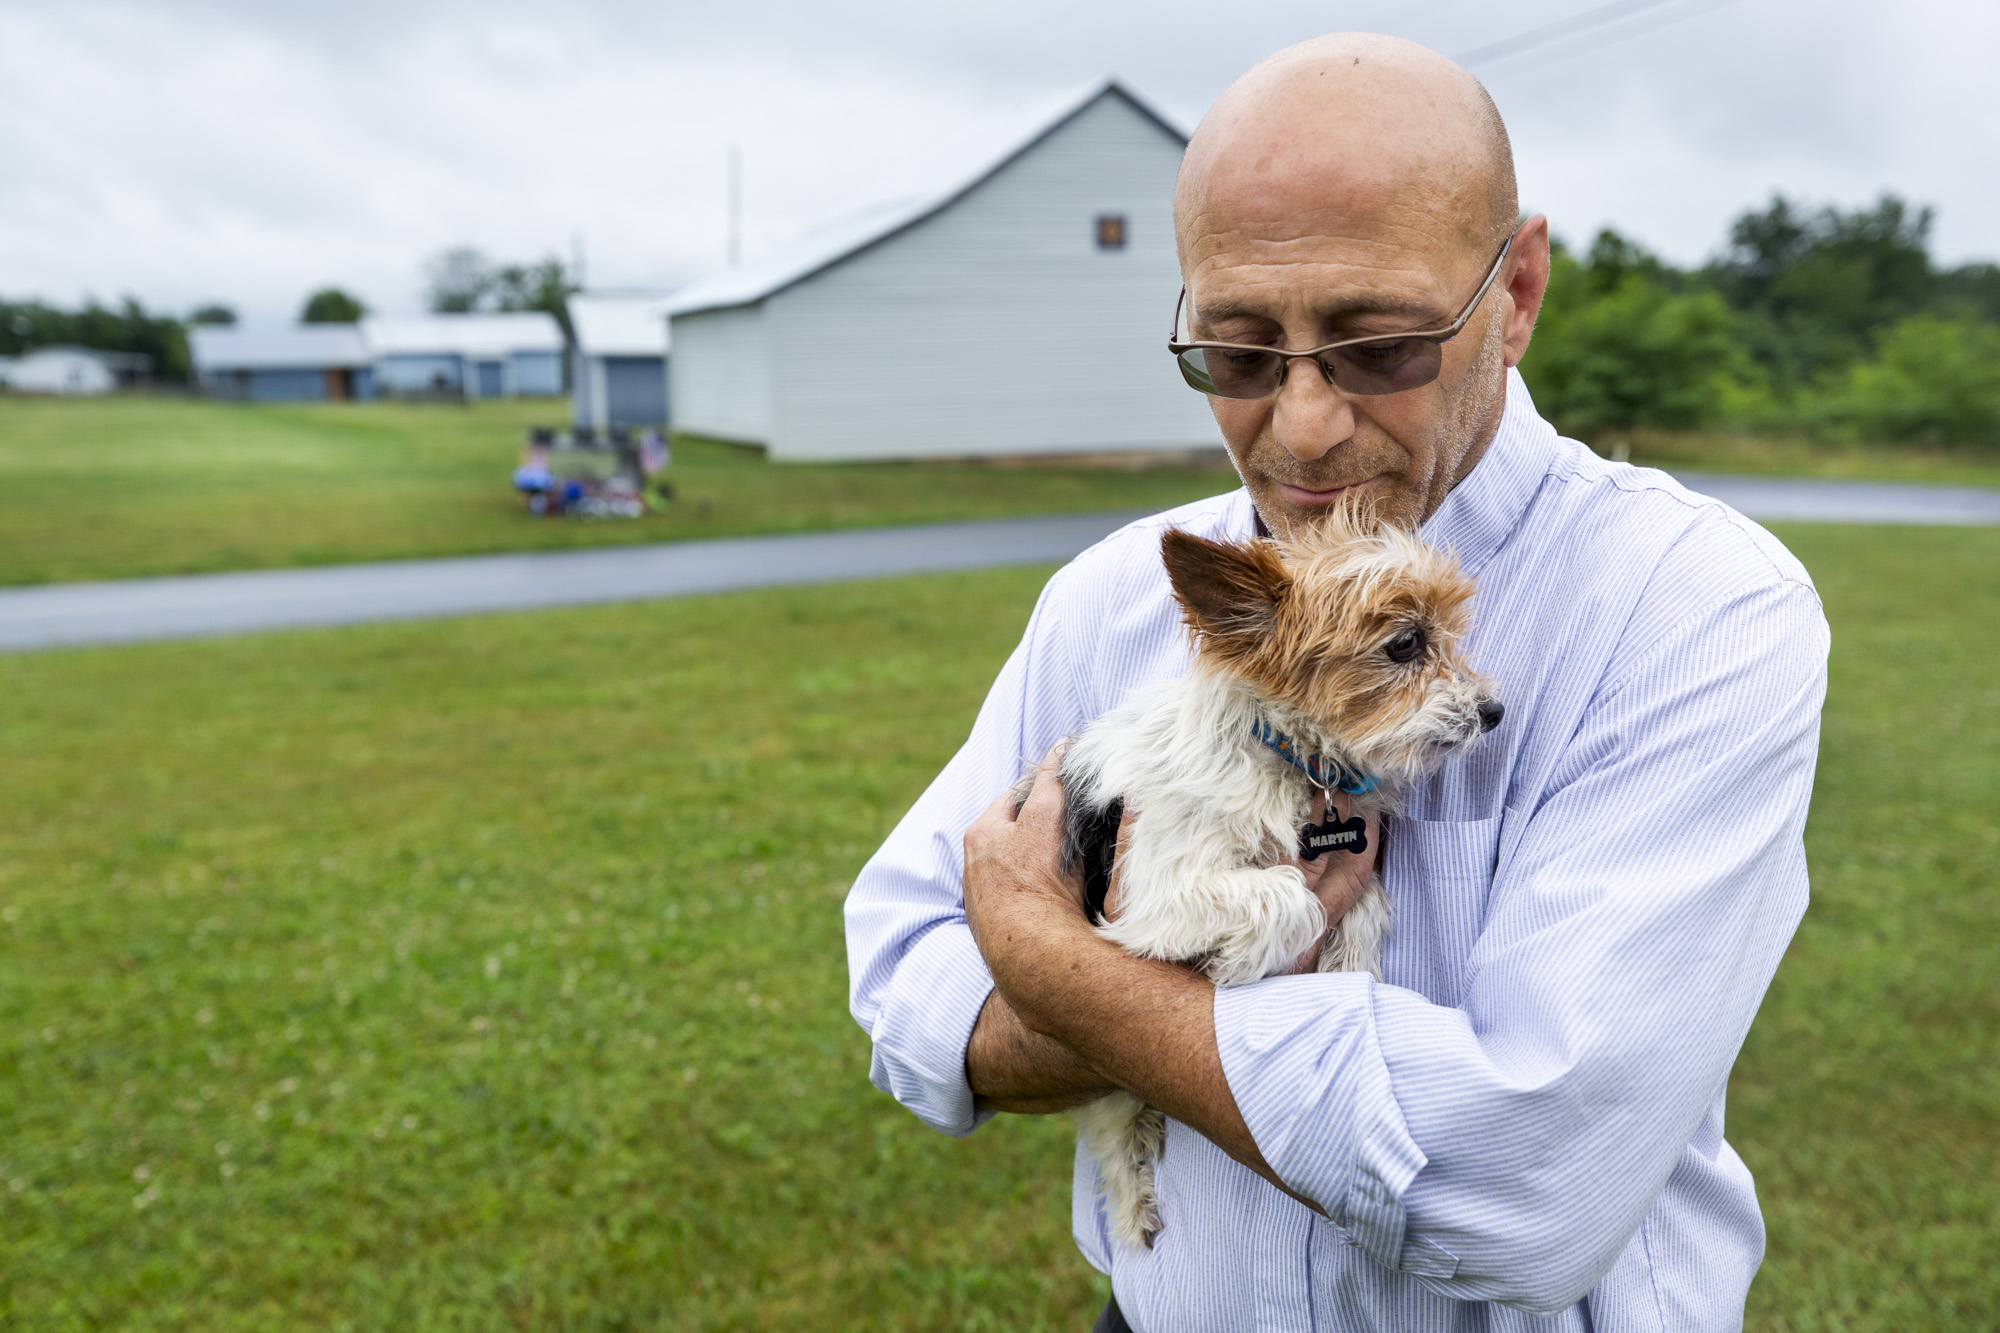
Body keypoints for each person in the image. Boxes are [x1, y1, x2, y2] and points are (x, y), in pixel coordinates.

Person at [845, 33, 1828, 1331]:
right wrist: (1133, 996)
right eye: (1240, 352)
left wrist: (1047, 953)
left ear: (1517, 291)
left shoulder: (1693, 609)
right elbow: (907, 983)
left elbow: (1516, 1190)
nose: (1302, 427)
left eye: (1381, 344)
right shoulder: (1112, 600)